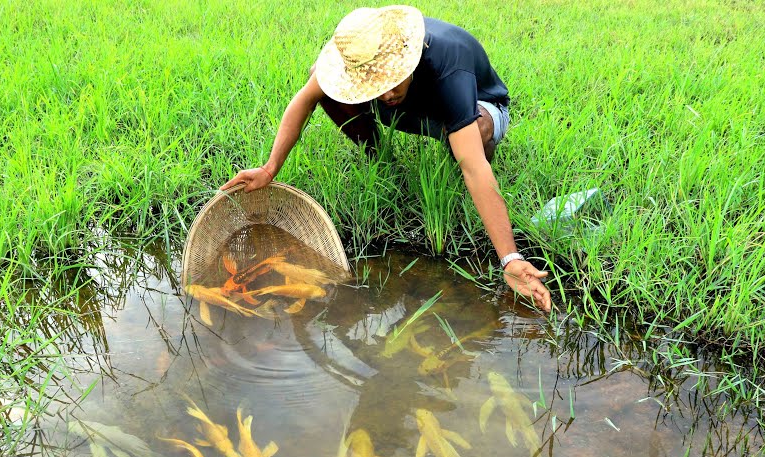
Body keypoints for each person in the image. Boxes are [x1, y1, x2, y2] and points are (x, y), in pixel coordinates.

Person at [221, 5, 553, 313]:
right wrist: (269, 168)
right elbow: (303, 101)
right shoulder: (353, 51)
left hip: (478, 106)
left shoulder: (450, 62)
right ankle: (380, 159)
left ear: (407, 61)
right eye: (376, 84)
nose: (386, 92)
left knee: (470, 139)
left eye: (392, 80)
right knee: (320, 81)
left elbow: (475, 168)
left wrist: (510, 258)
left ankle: (453, 150)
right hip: (413, 109)